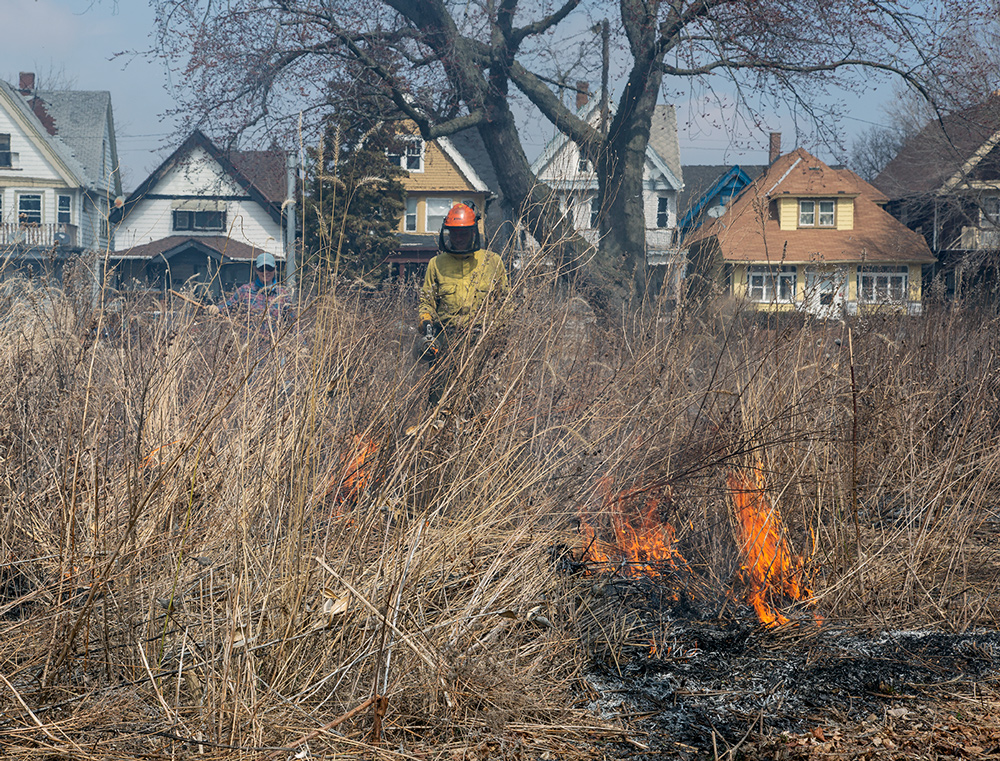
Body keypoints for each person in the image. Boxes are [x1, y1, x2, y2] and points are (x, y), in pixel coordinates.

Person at [418, 202, 509, 406]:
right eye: (454, 233)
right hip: (446, 339)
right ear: (447, 233)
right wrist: (425, 323)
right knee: (439, 400)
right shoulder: (437, 264)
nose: (458, 239)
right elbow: (426, 302)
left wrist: (498, 337)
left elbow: (505, 304)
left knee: (477, 400)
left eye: (464, 233)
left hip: (481, 339)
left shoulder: (492, 262)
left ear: (473, 232)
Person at [208, 252, 294, 335]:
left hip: (275, 346)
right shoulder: (245, 291)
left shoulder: (282, 295)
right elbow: (229, 306)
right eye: (262, 269)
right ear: (256, 269)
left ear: (275, 269)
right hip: (249, 346)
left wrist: (302, 345)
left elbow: (293, 323)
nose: (265, 272)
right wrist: (216, 308)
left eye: (269, 268)